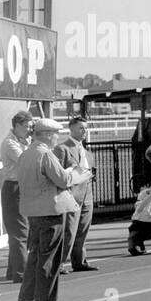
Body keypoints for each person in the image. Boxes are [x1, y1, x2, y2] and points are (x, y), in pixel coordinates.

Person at [15, 118, 92, 301]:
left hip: (33, 211)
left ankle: (27, 296)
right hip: (50, 210)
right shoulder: (45, 154)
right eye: (55, 134)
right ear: (48, 135)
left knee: (35, 255)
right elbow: (63, 179)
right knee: (50, 257)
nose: (57, 138)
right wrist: (78, 175)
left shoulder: (25, 154)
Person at [55, 114, 98, 272]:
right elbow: (58, 176)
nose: (84, 131)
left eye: (86, 128)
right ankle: (58, 264)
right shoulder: (62, 149)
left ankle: (79, 261)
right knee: (69, 232)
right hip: (71, 197)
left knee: (83, 230)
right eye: (81, 128)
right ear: (71, 129)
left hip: (87, 196)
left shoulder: (87, 153)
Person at [0, 110, 33, 283]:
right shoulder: (10, 143)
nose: (29, 130)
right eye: (26, 127)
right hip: (14, 187)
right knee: (20, 232)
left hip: (20, 187)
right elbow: (26, 161)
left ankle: (13, 270)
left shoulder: (22, 141)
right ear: (17, 126)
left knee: (18, 231)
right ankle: (21, 273)